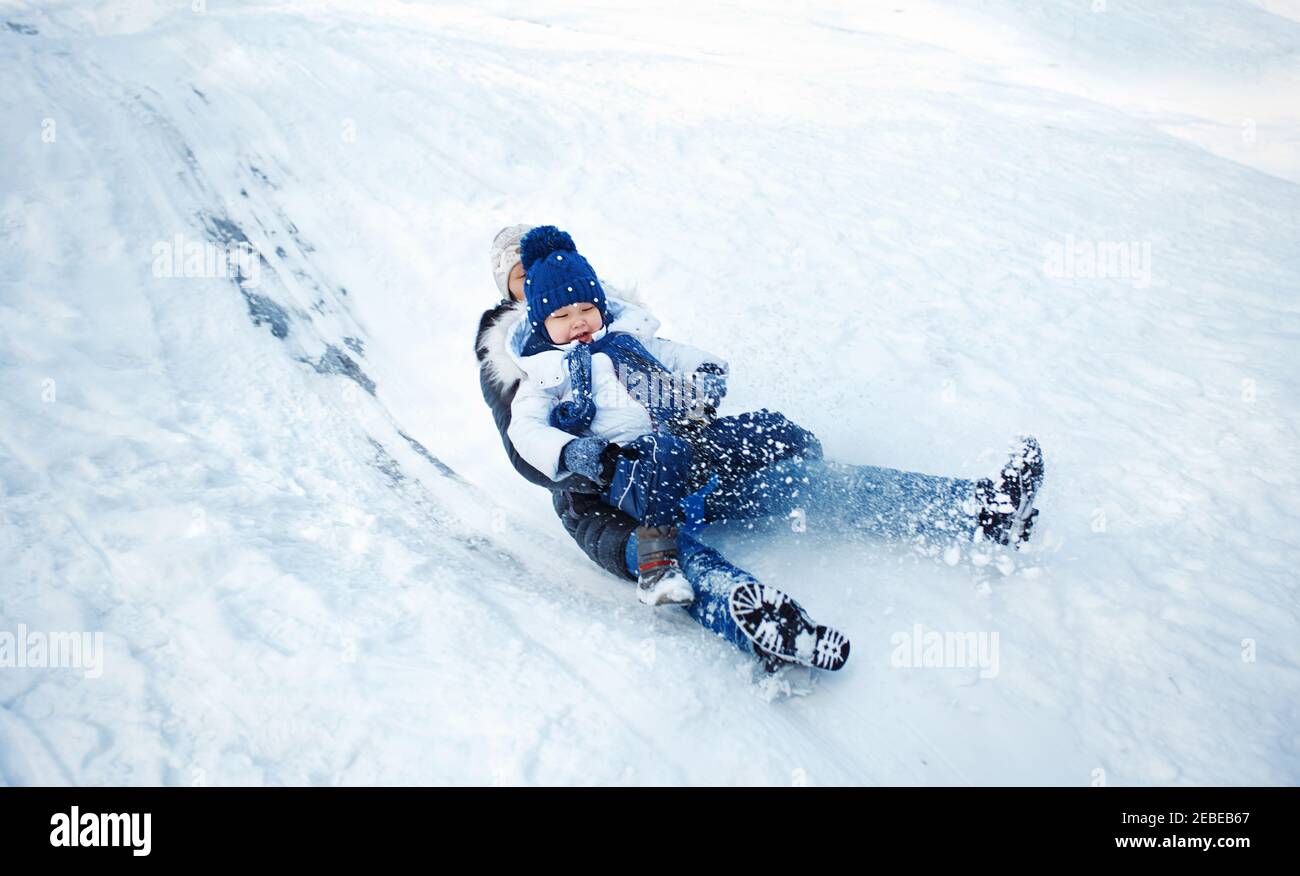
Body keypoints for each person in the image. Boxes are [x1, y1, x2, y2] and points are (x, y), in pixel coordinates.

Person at [476, 224, 1045, 674]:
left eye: (551, 277)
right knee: (668, 554)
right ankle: (753, 615)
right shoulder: (517, 358)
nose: (537, 284)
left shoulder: (620, 328)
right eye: (522, 276)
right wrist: (589, 460)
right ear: (508, 290)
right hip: (599, 499)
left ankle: (979, 509)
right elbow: (525, 443)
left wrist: (695, 402)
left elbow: (681, 371)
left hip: (683, 459)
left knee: (802, 483)